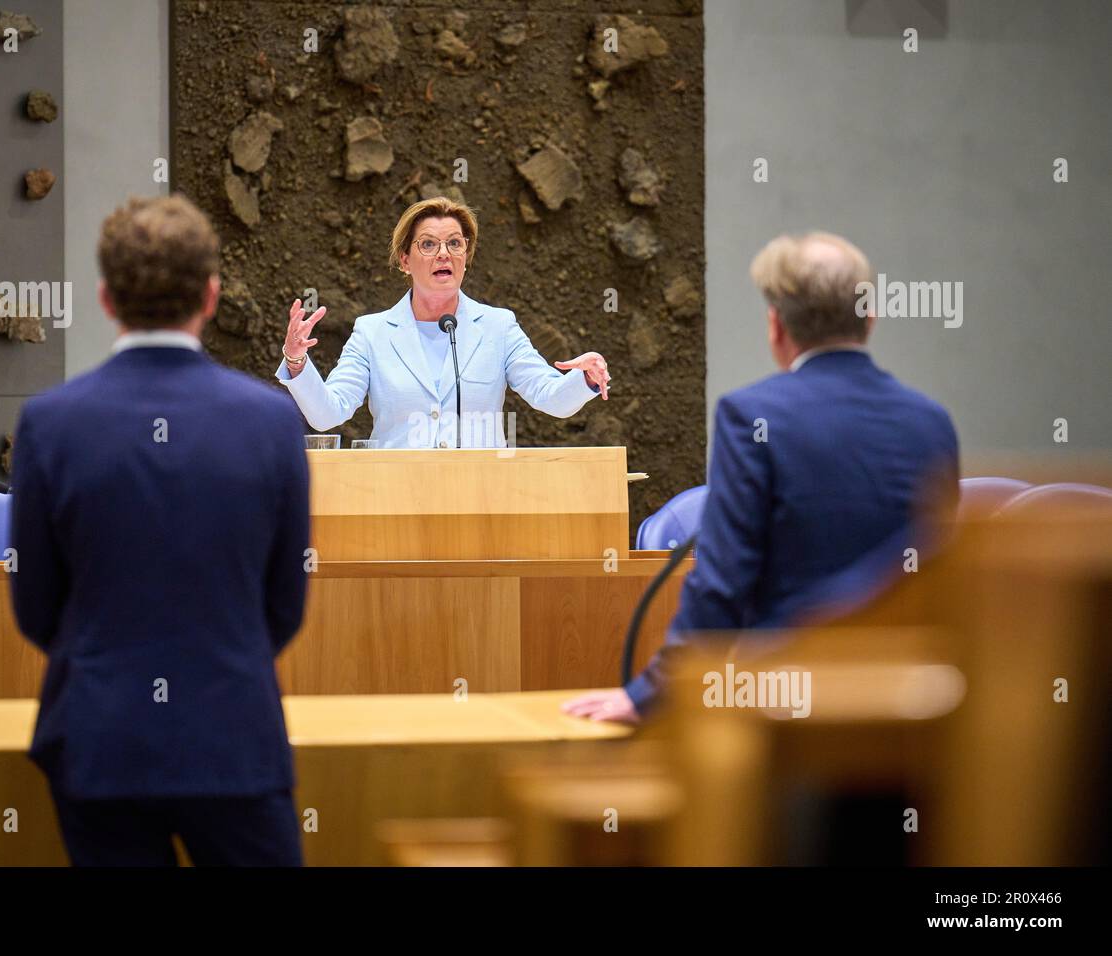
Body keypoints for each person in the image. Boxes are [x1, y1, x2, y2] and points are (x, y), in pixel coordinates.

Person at [9, 195, 309, 866]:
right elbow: (285, 605)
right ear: (210, 294)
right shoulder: (270, 422)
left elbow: (34, 606)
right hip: (234, 737)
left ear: (106, 299)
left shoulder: (50, 422)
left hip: (98, 737)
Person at [564, 231, 960, 724]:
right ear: (869, 319)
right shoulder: (931, 421)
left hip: (789, 714)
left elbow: (723, 584)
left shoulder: (750, 415)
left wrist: (647, 695)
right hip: (907, 711)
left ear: (776, 326)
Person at [276, 197, 611, 448]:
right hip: (397, 504)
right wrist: (296, 360)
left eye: (455, 243)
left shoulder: (498, 327)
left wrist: (585, 378)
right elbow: (328, 414)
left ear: (466, 257)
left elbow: (551, 397)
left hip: (479, 502)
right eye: (428, 244)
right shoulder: (372, 333)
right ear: (405, 260)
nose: (444, 254)